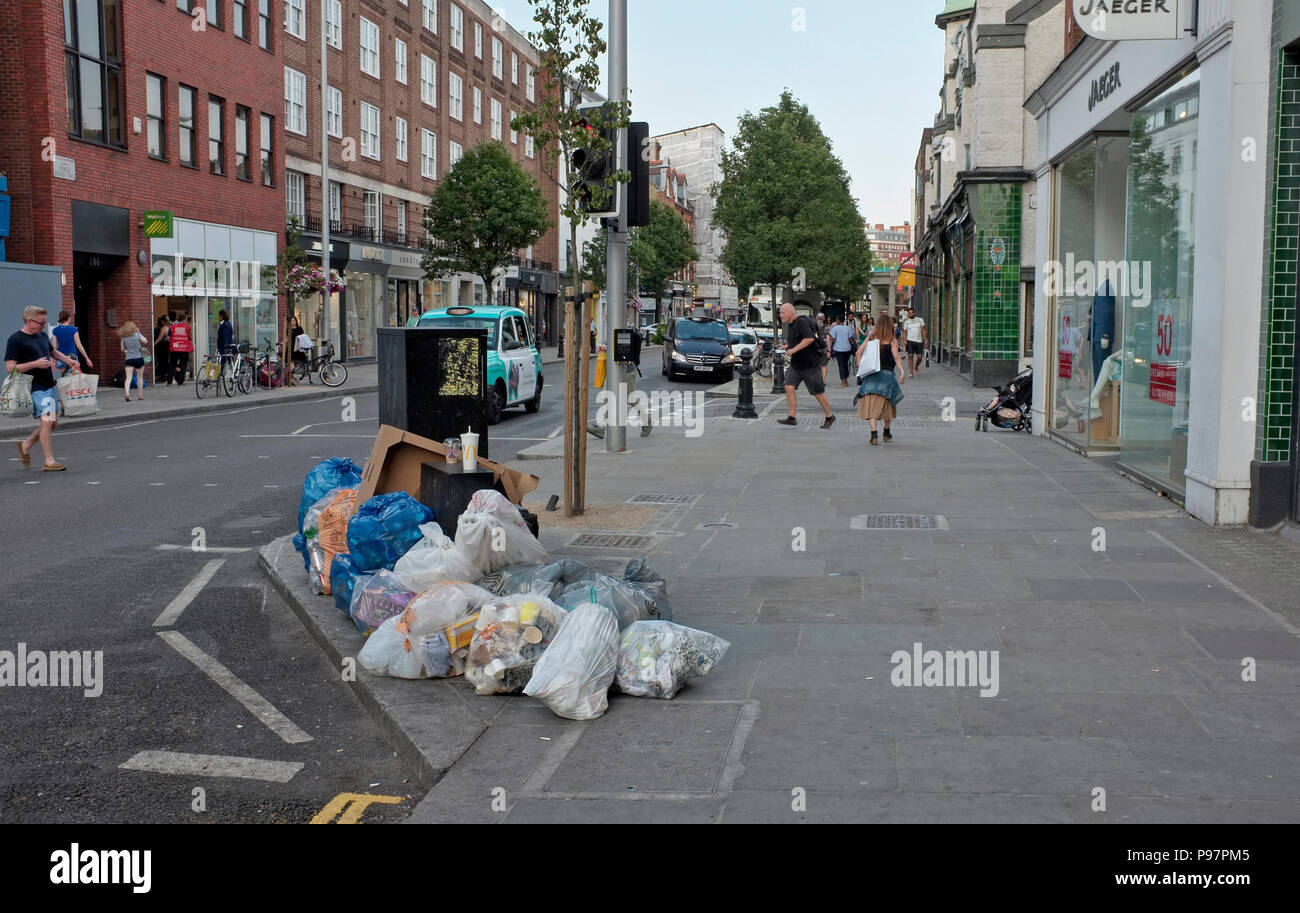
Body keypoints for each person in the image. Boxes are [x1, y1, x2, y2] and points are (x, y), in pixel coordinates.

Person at [7, 306, 76, 471]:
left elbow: (53, 352)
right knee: (46, 421)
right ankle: (49, 461)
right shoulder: (16, 340)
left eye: (45, 322)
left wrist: (68, 361)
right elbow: (10, 368)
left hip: (47, 384)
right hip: (33, 386)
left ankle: (26, 444)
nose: (44, 326)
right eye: (41, 322)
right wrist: (34, 364)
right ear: (29, 321)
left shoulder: (42, 336)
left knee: (52, 423)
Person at [777, 303, 834, 429]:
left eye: (782, 312)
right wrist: (787, 346)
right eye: (780, 312)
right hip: (796, 364)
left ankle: (829, 416)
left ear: (791, 312)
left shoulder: (800, 322)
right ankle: (792, 417)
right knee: (788, 387)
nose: (780, 315)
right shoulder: (791, 325)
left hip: (810, 364)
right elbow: (798, 339)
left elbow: (809, 339)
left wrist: (794, 350)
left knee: (817, 392)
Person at [855, 313, 905, 445]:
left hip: (871, 376)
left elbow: (858, 353)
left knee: (872, 406)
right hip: (887, 376)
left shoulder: (871, 337)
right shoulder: (892, 340)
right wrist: (902, 371)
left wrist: (862, 369)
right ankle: (886, 432)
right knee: (888, 404)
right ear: (889, 326)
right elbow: (896, 357)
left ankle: (874, 435)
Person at [52, 311, 93, 377]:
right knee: (73, 378)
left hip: (60, 356)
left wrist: (53, 361)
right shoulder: (73, 329)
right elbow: (79, 345)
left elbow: (54, 347)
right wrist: (87, 358)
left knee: (64, 378)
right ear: (68, 318)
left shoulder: (55, 330)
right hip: (72, 356)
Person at [118, 321, 149, 401]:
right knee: (140, 377)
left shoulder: (123, 337)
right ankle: (140, 395)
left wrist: (127, 352)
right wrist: (139, 333)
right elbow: (146, 341)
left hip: (129, 359)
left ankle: (127, 393)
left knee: (128, 377)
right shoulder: (137, 335)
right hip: (139, 358)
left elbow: (122, 349)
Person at [828, 315, 855, 387]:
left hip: (838, 349)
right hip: (847, 349)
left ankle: (844, 381)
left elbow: (833, 339)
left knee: (841, 365)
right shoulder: (848, 328)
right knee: (845, 363)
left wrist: (830, 348)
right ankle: (846, 378)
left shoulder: (835, 329)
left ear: (838, 320)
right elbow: (850, 339)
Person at [902, 307, 927, 378]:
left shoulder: (920, 320)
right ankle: (911, 372)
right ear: (908, 314)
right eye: (909, 313)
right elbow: (904, 332)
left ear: (914, 313)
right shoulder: (906, 322)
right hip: (910, 341)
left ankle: (916, 367)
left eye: (912, 312)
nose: (911, 314)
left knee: (919, 358)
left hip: (919, 341)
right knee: (910, 356)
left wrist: (926, 340)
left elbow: (923, 331)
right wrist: (904, 340)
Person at [169, 313, 193, 383]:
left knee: (172, 365)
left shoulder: (172, 327)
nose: (186, 321)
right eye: (186, 320)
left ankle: (169, 381)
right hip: (184, 348)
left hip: (174, 348)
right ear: (184, 320)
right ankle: (180, 381)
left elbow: (169, 337)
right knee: (183, 365)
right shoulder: (187, 327)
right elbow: (189, 337)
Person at [153, 315, 172, 384]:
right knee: (166, 361)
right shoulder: (170, 327)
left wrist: (153, 345)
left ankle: (163, 376)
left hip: (162, 347)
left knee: (162, 361)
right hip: (168, 347)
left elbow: (159, 339)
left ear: (163, 321)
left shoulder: (163, 328)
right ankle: (166, 375)